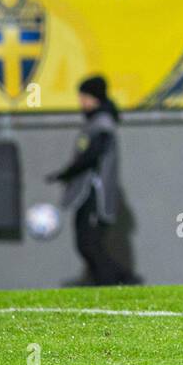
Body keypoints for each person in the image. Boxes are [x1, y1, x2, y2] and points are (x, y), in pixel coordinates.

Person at [45, 75, 140, 286]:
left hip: (95, 194)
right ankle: (108, 280)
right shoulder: (94, 123)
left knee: (90, 242)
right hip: (86, 194)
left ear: (94, 98)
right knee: (85, 243)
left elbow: (92, 154)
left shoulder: (102, 124)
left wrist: (66, 173)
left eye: (84, 97)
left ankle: (119, 279)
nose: (81, 102)